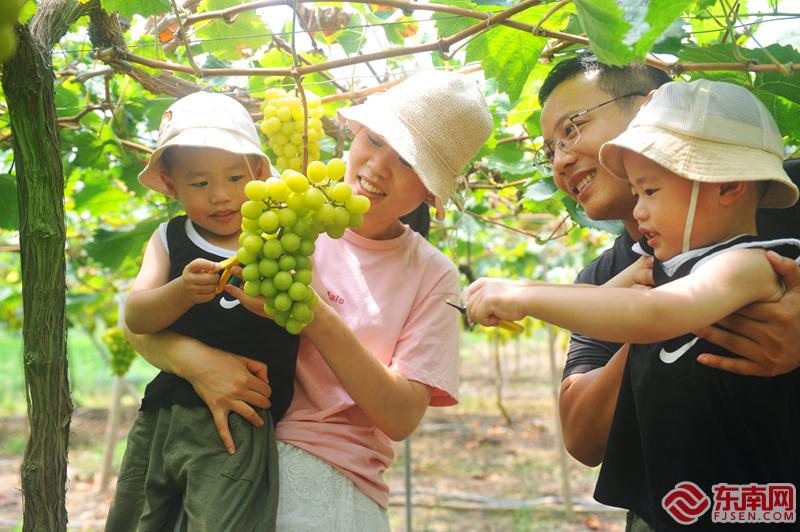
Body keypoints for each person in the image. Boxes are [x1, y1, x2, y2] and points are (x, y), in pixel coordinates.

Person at [124, 70, 493, 530]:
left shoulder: (432, 274)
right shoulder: (281, 211)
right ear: (356, 132)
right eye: (375, 140)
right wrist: (198, 363)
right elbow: (142, 319)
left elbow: (399, 417)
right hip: (219, 448)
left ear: (431, 191)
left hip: (326, 478)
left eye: (407, 161)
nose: (379, 166)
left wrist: (314, 314)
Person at [465, 79, 800, 530]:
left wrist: (523, 296)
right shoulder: (658, 262)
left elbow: (655, 314)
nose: (640, 212)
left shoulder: (746, 264)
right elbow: (608, 305)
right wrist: (514, 289)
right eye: (638, 192)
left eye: (651, 192)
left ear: (730, 185)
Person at [535, 53, 800, 467]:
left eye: (572, 129)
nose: (560, 161)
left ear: (651, 106)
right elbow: (584, 440)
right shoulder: (604, 278)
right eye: (549, 150)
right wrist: (643, 322)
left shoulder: (769, 192)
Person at [106, 92, 300, 531]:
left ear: (259, 173)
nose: (221, 196)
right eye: (199, 184)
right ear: (171, 186)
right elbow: (136, 316)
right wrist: (180, 292)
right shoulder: (168, 237)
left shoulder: (279, 239)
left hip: (238, 427)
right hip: (160, 416)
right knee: (133, 520)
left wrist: (274, 308)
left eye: (235, 177)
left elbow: (305, 312)